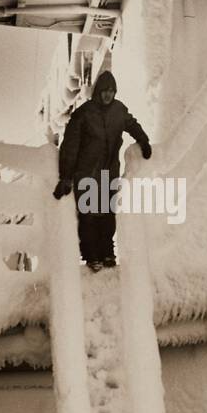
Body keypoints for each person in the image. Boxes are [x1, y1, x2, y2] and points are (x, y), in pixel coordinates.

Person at [52, 69, 151, 271]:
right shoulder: (84, 113)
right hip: (86, 173)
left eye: (111, 91)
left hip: (108, 173)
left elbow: (132, 124)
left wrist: (143, 140)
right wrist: (66, 176)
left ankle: (107, 253)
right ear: (98, 91)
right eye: (104, 90)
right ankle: (91, 256)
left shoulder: (119, 111)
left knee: (107, 214)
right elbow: (70, 146)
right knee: (88, 215)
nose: (108, 94)